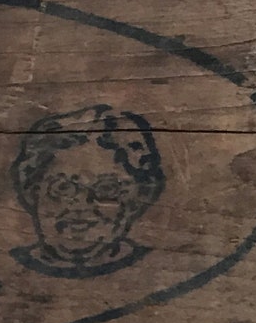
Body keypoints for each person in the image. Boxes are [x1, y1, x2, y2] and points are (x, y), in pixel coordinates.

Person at [8, 105, 164, 278]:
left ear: (137, 198)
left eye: (106, 189)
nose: (81, 206)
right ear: (33, 192)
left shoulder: (163, 272)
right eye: (63, 188)